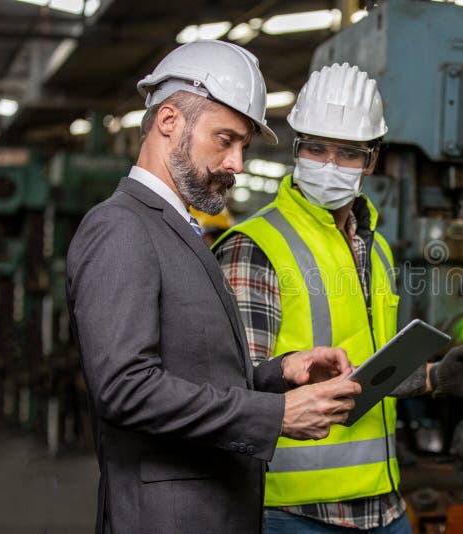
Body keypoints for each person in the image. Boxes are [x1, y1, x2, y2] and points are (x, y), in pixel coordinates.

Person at [66, 42, 362, 534]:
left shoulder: (178, 228)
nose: (237, 164)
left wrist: (277, 374)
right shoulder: (120, 227)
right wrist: (275, 415)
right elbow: (124, 389)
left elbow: (192, 367)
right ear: (168, 121)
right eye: (225, 140)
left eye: (243, 146)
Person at [213, 63, 463, 533]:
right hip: (293, 512)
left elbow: (363, 373)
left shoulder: (375, 248)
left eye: (347, 154)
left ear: (372, 159)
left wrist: (432, 377)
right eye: (316, 148)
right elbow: (233, 391)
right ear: (295, 150)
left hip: (383, 505)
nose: (328, 165)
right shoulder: (255, 246)